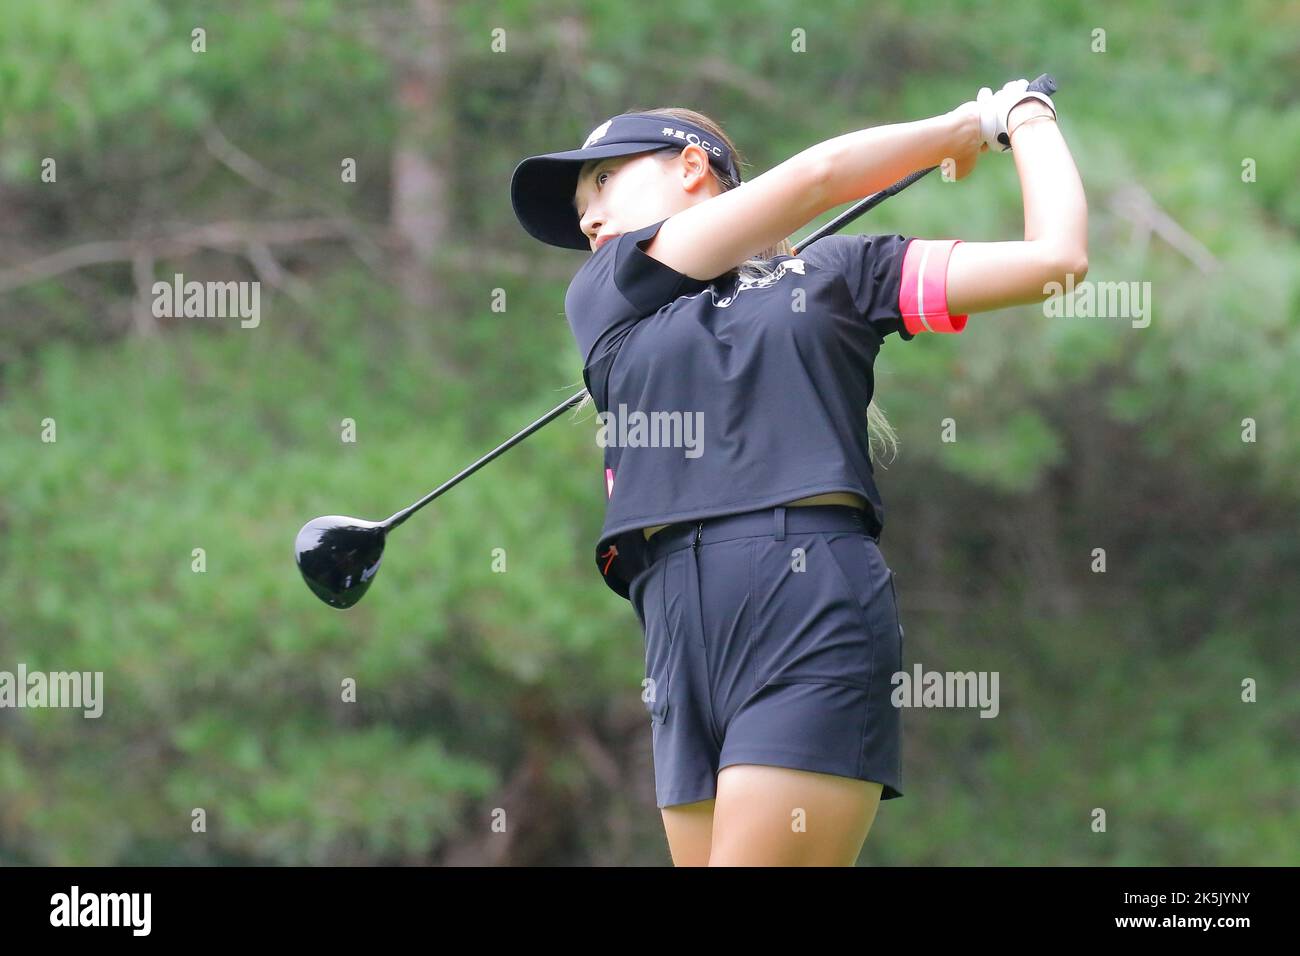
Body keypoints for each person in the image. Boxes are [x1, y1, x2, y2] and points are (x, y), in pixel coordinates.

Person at [509, 79, 1087, 865]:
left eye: (605, 179)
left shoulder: (842, 273)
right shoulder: (606, 293)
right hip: (675, 629)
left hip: (805, 594)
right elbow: (816, 179)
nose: (588, 215)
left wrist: (1025, 120)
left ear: (690, 167)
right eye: (583, 200)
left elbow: (1054, 261)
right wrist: (958, 129)